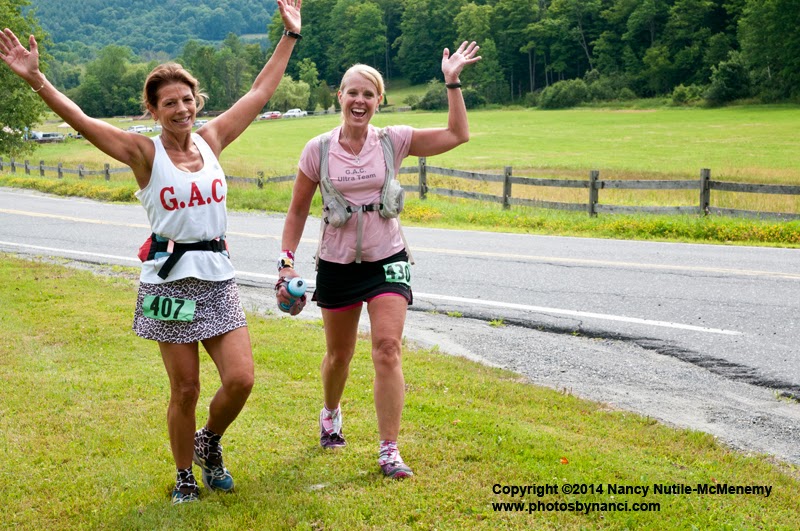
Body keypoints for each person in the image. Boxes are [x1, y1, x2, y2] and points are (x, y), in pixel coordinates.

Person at [0, 0, 302, 505]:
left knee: (242, 379)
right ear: (153, 110)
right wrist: (37, 80)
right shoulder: (144, 153)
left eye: (187, 99)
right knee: (184, 388)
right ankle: (185, 473)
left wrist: (289, 36)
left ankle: (209, 440)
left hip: (217, 276)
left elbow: (259, 91)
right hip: (168, 283)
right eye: (169, 103)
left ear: (196, 100)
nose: (181, 109)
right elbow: (79, 119)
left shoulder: (212, 140)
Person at [276, 41, 481, 479]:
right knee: (339, 355)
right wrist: (286, 263)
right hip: (336, 262)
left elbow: (457, 135)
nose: (360, 101)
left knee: (387, 349)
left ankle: (389, 449)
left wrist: (452, 82)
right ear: (339, 96)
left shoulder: (393, 140)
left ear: (378, 101)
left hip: (388, 257)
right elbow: (296, 211)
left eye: (369, 94)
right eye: (352, 92)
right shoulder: (318, 149)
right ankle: (330, 412)